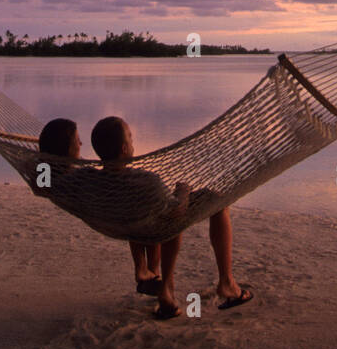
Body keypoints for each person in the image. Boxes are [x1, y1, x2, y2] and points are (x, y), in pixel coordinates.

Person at [90, 115, 253, 321]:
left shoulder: (91, 180)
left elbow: (52, 181)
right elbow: (176, 210)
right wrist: (183, 190)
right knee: (215, 201)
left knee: (147, 217)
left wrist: (41, 166)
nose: (133, 141)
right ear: (124, 148)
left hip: (129, 224)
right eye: (130, 137)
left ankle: (157, 285)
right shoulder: (146, 181)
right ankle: (226, 282)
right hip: (156, 224)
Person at [37, 116, 163, 296]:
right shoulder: (80, 178)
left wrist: (39, 159)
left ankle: (146, 271)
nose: (81, 143)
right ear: (66, 147)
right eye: (76, 141)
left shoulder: (70, 180)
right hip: (128, 217)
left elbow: (41, 184)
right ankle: (152, 273)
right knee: (144, 209)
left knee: (135, 206)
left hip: (112, 217)